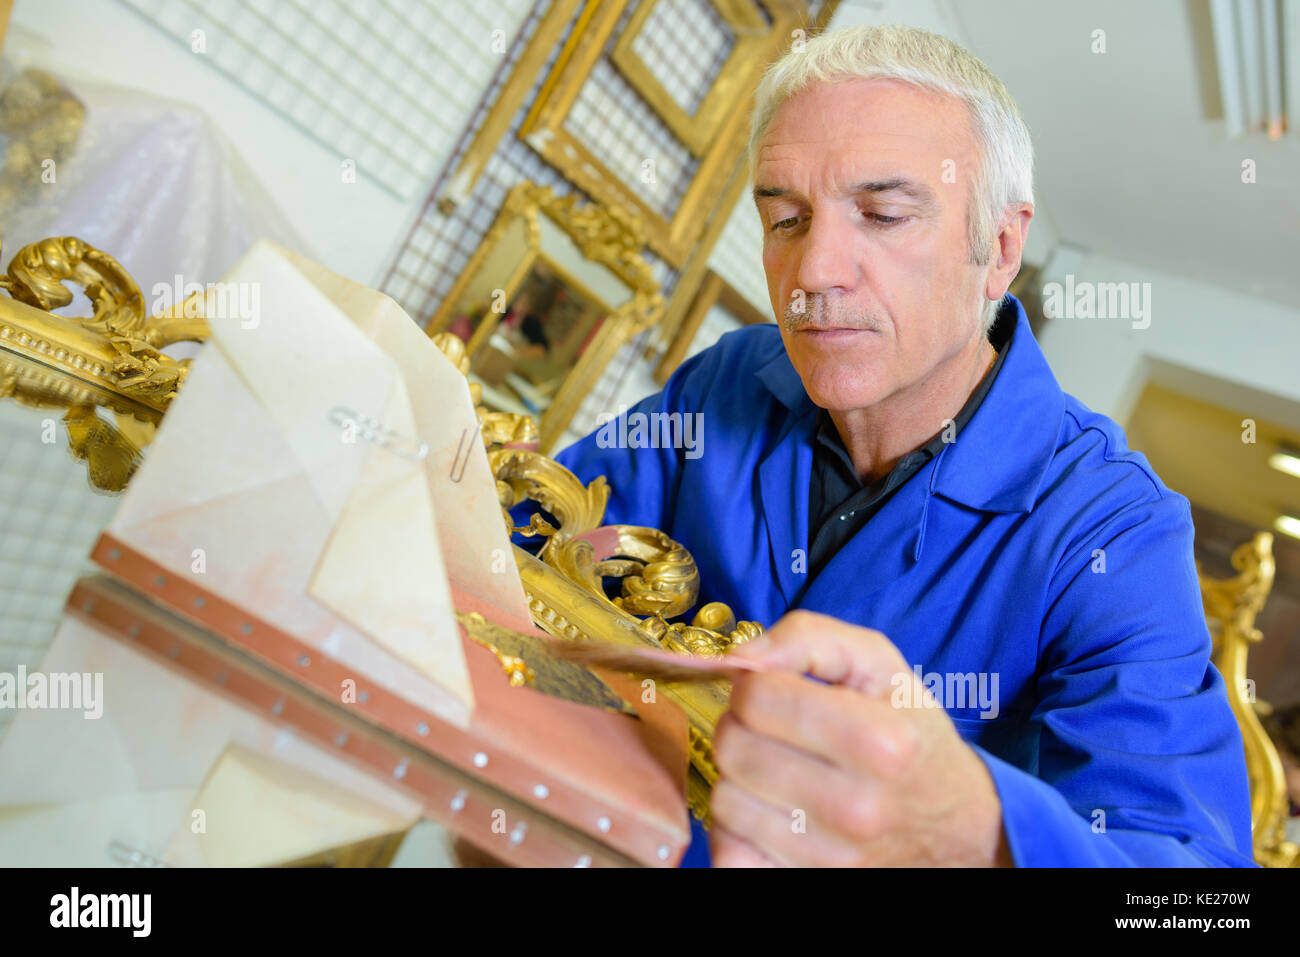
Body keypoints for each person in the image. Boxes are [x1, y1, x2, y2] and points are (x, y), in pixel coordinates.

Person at [521, 23, 1254, 867]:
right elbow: (525, 543)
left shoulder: (1113, 529)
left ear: (1001, 249)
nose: (815, 271)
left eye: (884, 214)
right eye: (786, 218)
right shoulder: (726, 380)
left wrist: (979, 830)